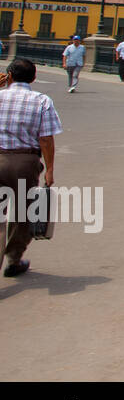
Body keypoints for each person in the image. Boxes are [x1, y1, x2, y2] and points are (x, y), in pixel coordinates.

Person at [0, 59, 61, 277]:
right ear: (34, 78)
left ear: (9, 76)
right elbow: (46, 139)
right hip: (25, 163)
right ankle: (14, 259)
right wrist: (50, 170)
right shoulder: (41, 101)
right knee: (22, 214)